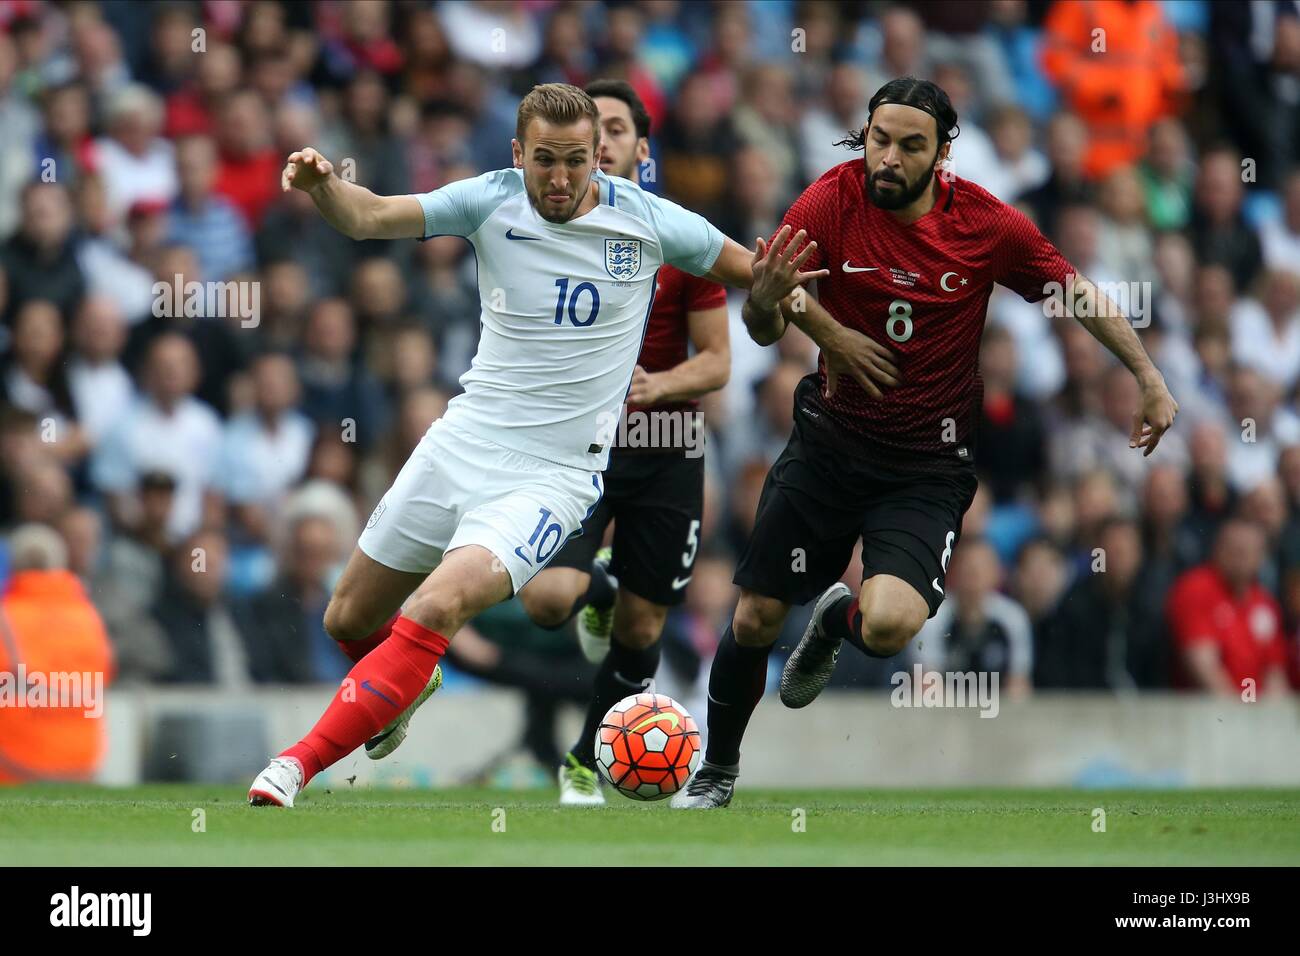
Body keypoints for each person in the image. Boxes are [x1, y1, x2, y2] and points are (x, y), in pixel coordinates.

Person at [248, 83, 828, 808]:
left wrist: (794, 307)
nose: (559, 179)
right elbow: (368, 218)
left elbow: (757, 280)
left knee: (435, 607)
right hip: (461, 442)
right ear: (518, 153)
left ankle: (294, 765)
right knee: (349, 620)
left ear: (599, 159)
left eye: (576, 162)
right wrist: (325, 185)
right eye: (545, 161)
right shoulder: (489, 199)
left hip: (553, 476)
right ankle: (411, 677)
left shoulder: (646, 219)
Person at [674, 76, 1180, 809]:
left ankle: (835, 622)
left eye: (910, 146)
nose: (889, 157)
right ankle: (717, 771)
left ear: (942, 153)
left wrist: (1149, 376)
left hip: (925, 467)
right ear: (865, 135)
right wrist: (799, 318)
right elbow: (764, 319)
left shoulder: (985, 225)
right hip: (828, 447)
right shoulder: (828, 201)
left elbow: (1077, 292)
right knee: (753, 616)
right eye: (880, 139)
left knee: (886, 626)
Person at [507, 79, 731, 806]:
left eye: (613, 127)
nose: (599, 140)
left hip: (667, 444)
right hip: (582, 445)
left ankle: (583, 760)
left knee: (644, 624)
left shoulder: (680, 236)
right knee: (545, 600)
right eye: (589, 129)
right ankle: (600, 581)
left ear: (641, 147)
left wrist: (654, 387)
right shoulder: (547, 228)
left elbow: (718, 361)